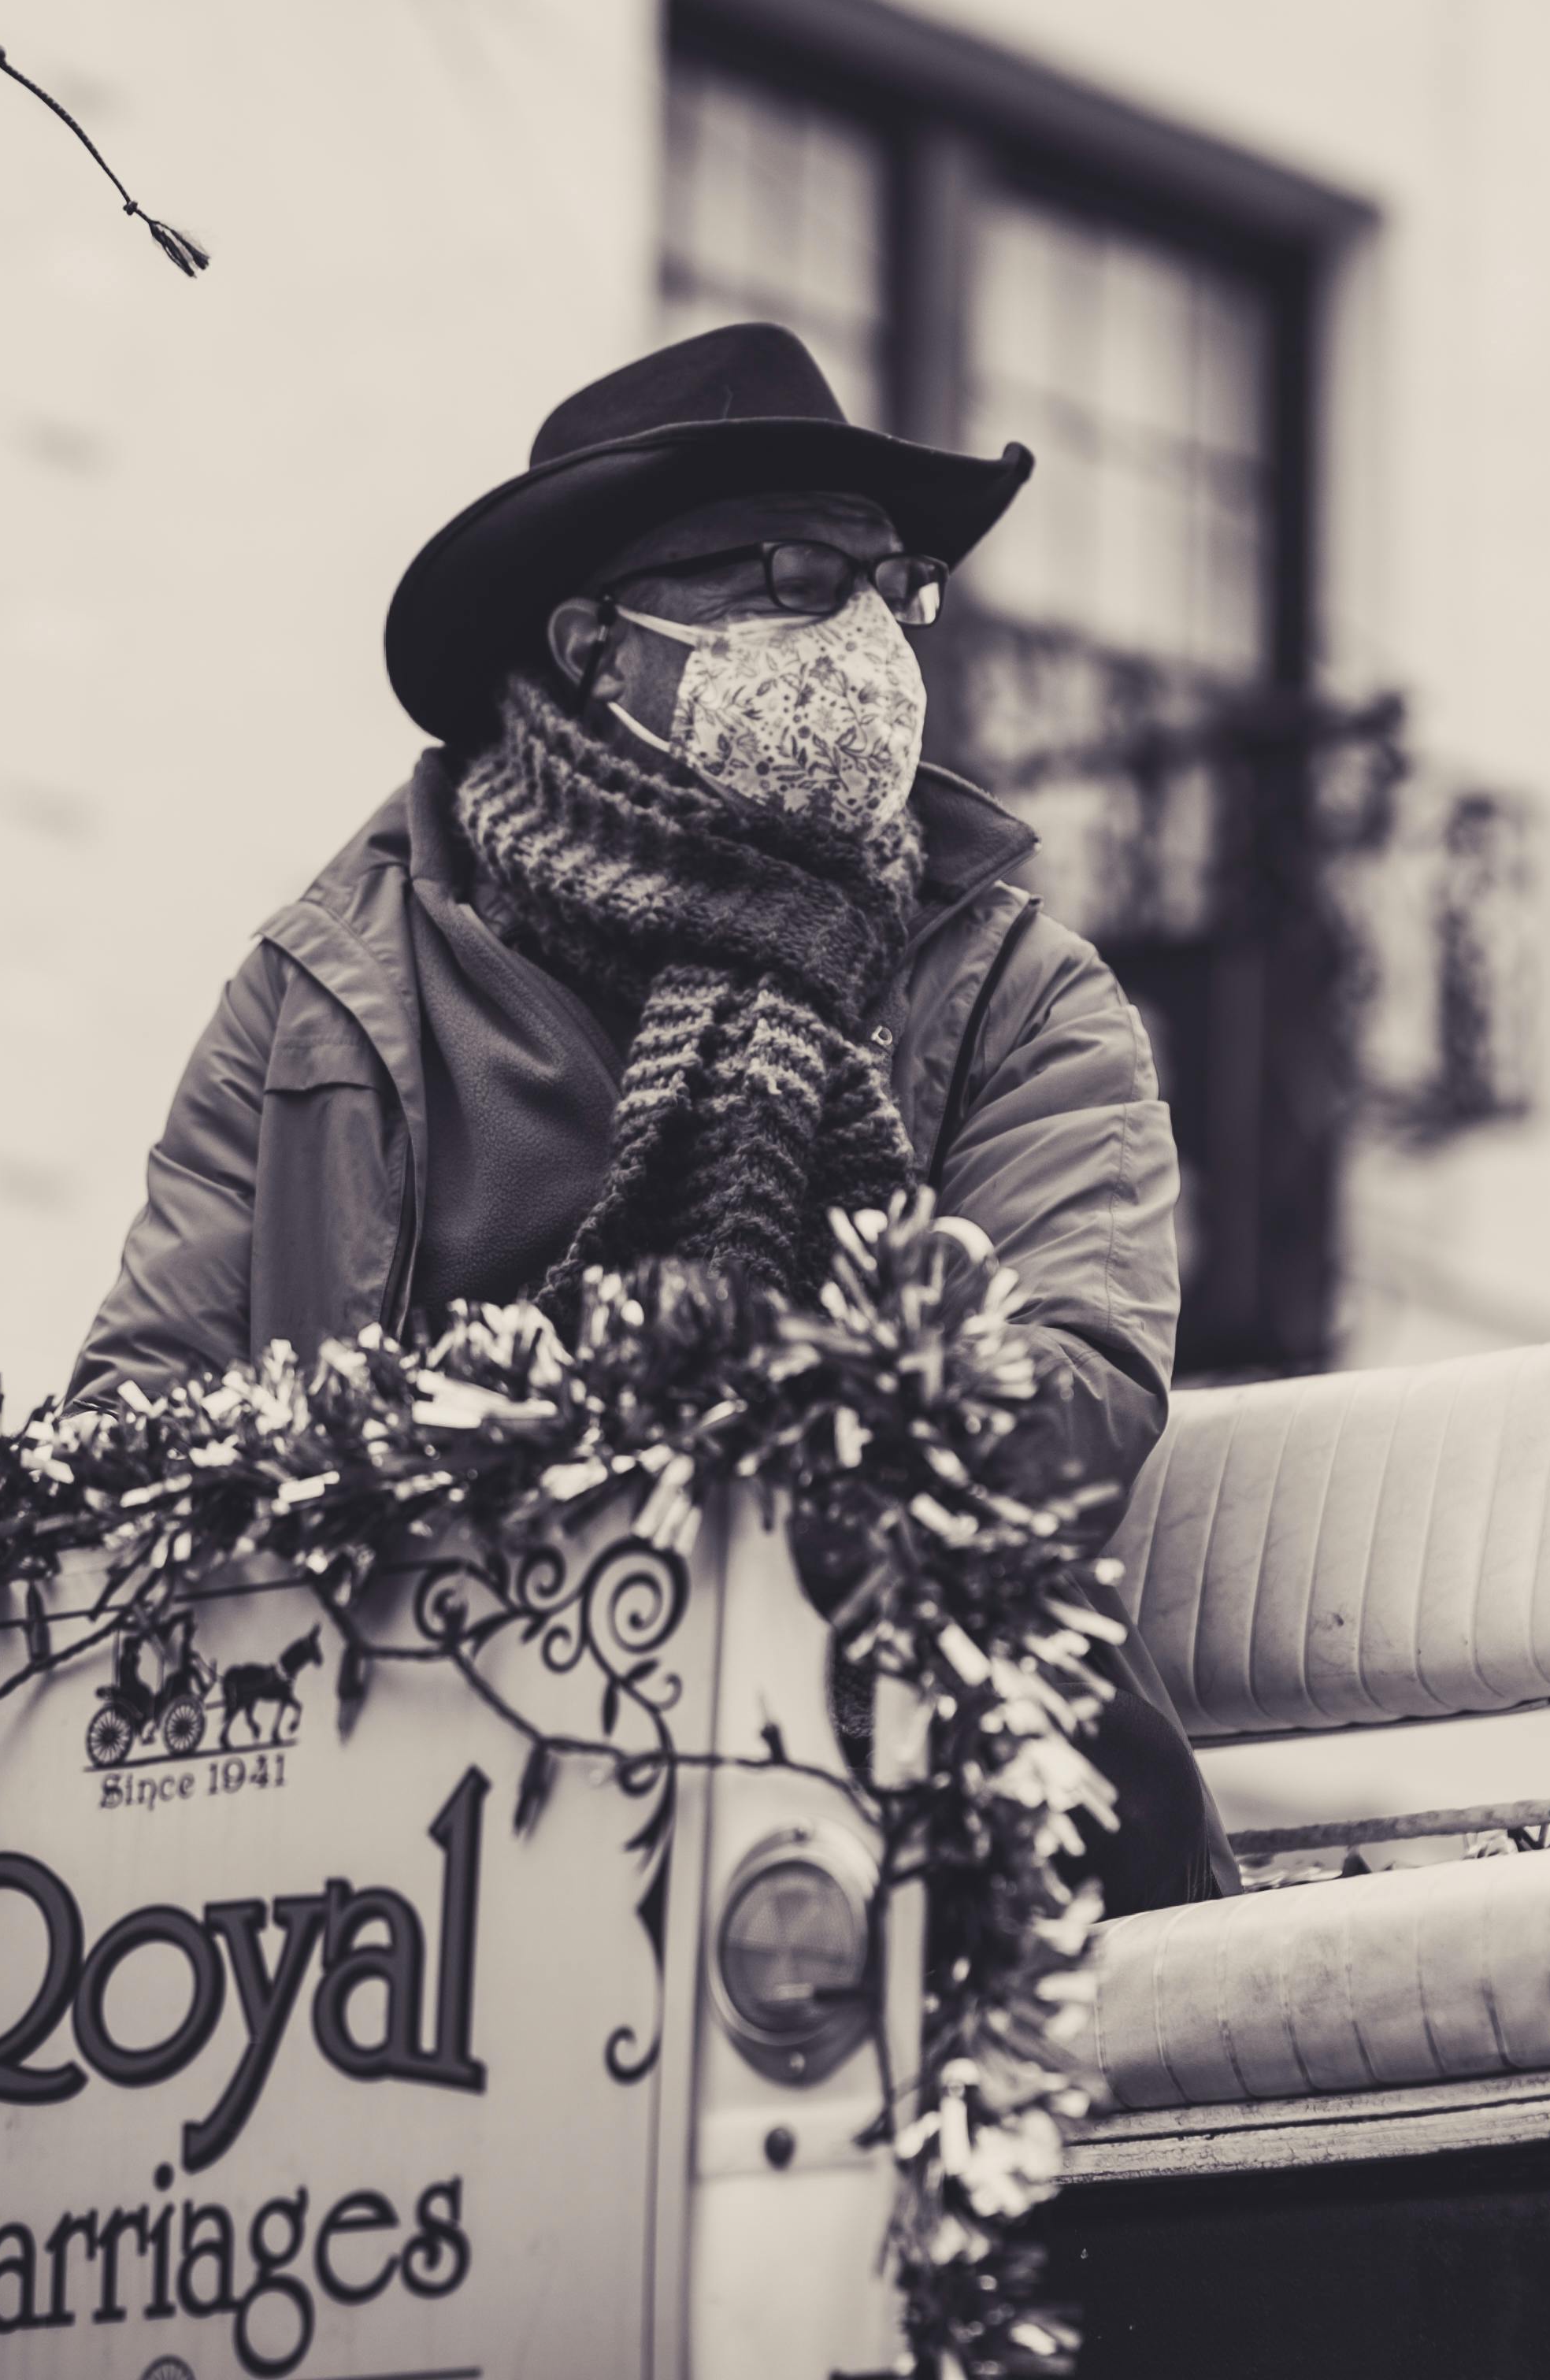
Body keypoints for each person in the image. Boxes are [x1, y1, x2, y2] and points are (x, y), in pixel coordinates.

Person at [69, 321, 1235, 1913]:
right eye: (784, 578)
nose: (869, 639)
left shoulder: (1019, 991)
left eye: (893, 587)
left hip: (910, 1832)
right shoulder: (326, 992)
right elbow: (134, 1433)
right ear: (593, 648)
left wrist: (638, 1450)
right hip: (386, 1851)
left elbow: (1062, 1399)